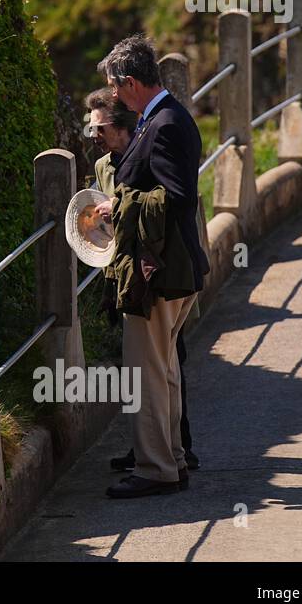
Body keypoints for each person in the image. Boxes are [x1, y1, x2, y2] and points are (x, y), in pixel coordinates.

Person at [94, 36, 209, 498]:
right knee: (164, 369)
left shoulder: (162, 125)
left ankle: (156, 468)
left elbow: (178, 198)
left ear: (130, 82)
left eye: (114, 87)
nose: (113, 97)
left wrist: (118, 205)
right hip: (174, 267)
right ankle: (173, 459)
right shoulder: (166, 116)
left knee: (146, 370)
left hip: (158, 272)